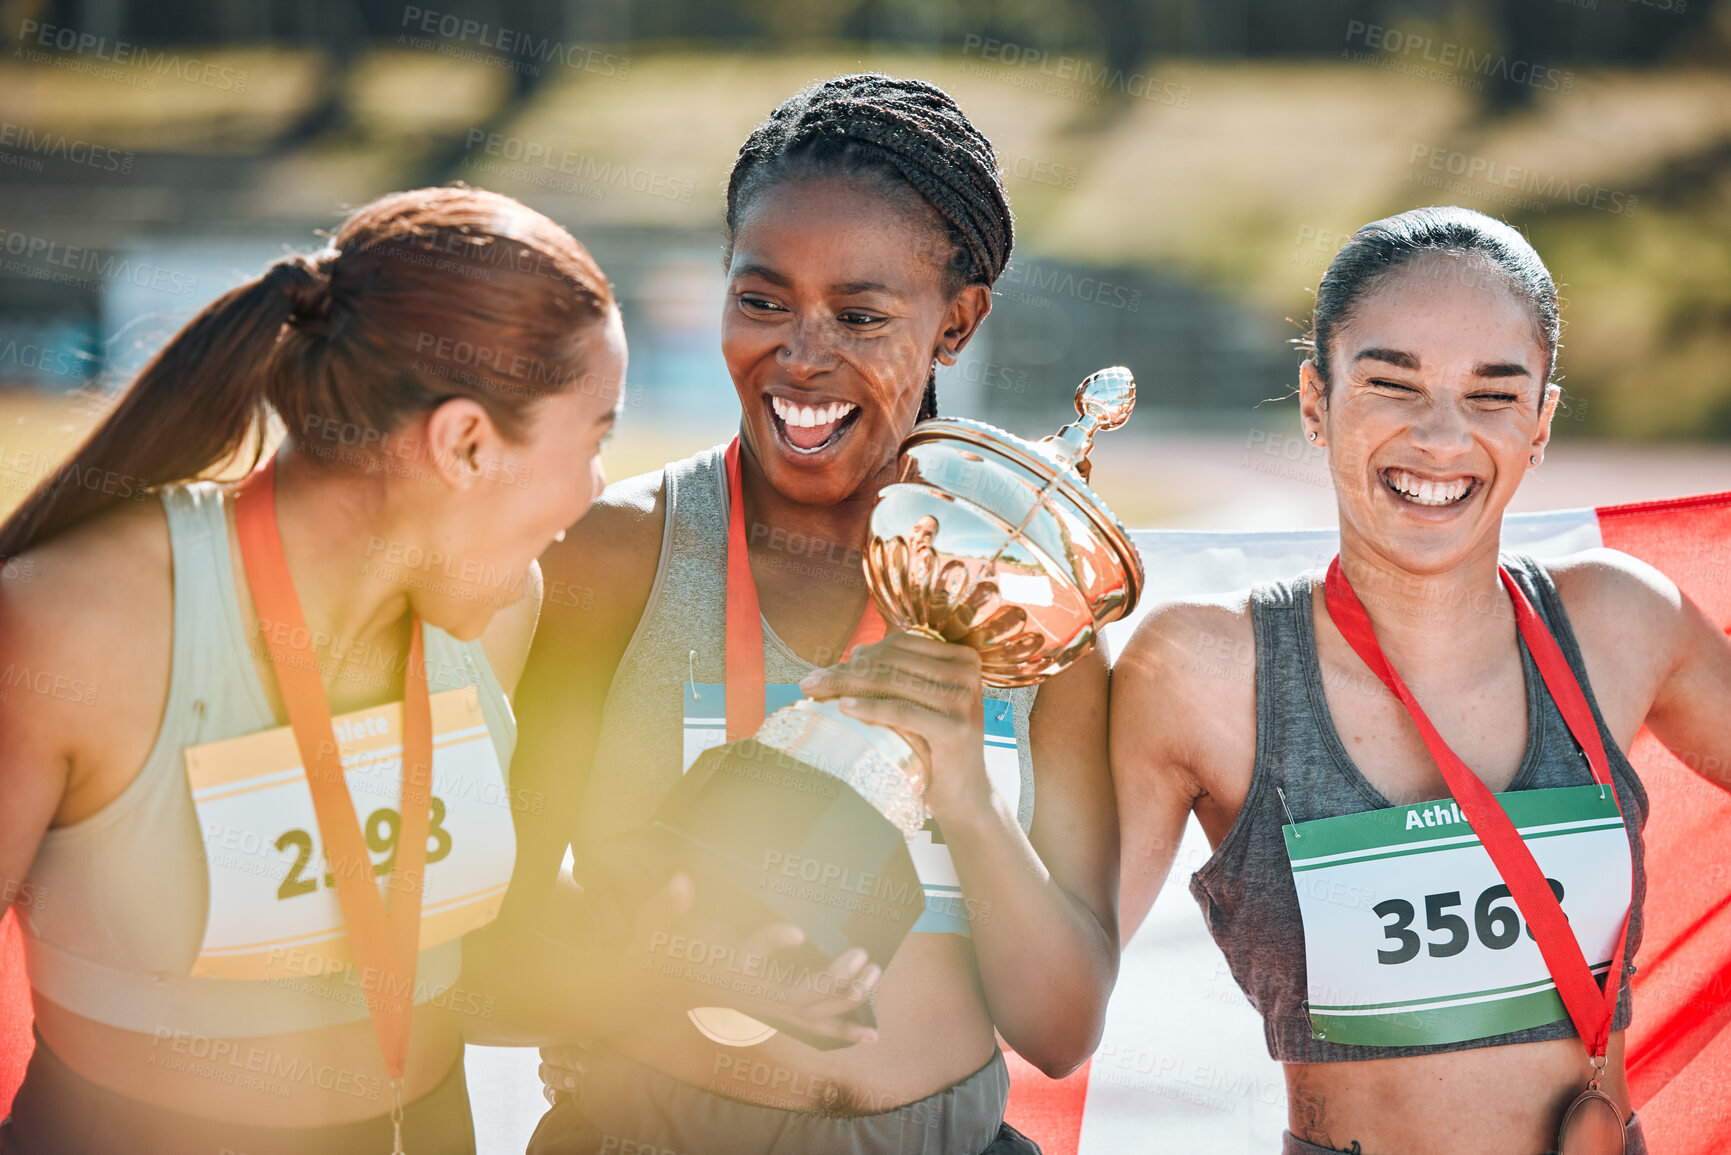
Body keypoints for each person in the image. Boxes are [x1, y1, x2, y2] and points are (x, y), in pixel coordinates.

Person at [482, 74, 1120, 1155]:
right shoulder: (618, 557)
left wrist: (965, 799)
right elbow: (486, 964)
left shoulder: (1031, 605)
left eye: (861, 315)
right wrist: (672, 970)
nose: (801, 356)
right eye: (762, 300)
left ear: (957, 322)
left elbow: (1060, 1029)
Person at [0, 186, 625, 1154]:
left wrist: (678, 968)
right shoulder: (74, 628)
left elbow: (441, 956)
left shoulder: (503, 611)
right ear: (463, 442)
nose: (595, 492)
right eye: (594, 440)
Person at [1111, 206, 1731, 1155]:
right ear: (1315, 403)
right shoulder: (1202, 668)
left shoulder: (1620, 622)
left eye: (1492, 394)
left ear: (1541, 421)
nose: (1441, 438)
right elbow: (1048, 985)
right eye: (1392, 383)